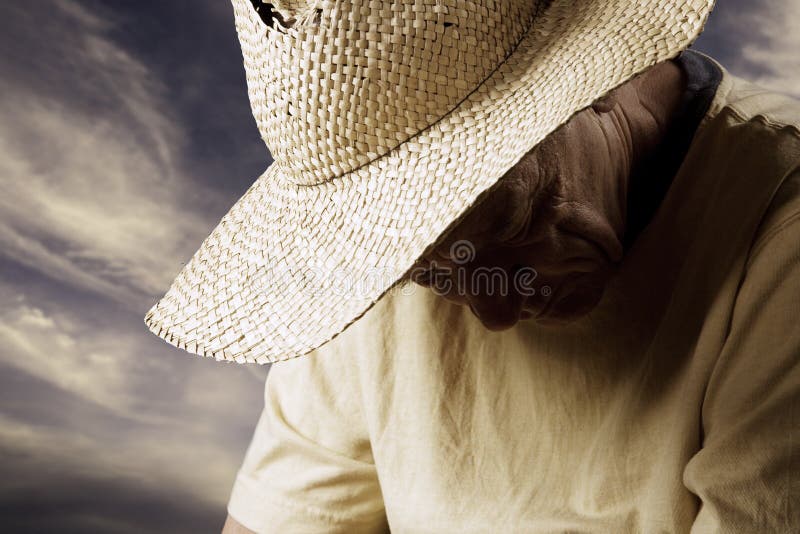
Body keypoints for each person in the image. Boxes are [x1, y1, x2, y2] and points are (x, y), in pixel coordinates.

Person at [144, 1, 799, 532]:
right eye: (431, 273)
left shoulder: (782, 224)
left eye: (512, 226)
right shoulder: (369, 260)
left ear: (599, 74)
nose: (494, 310)